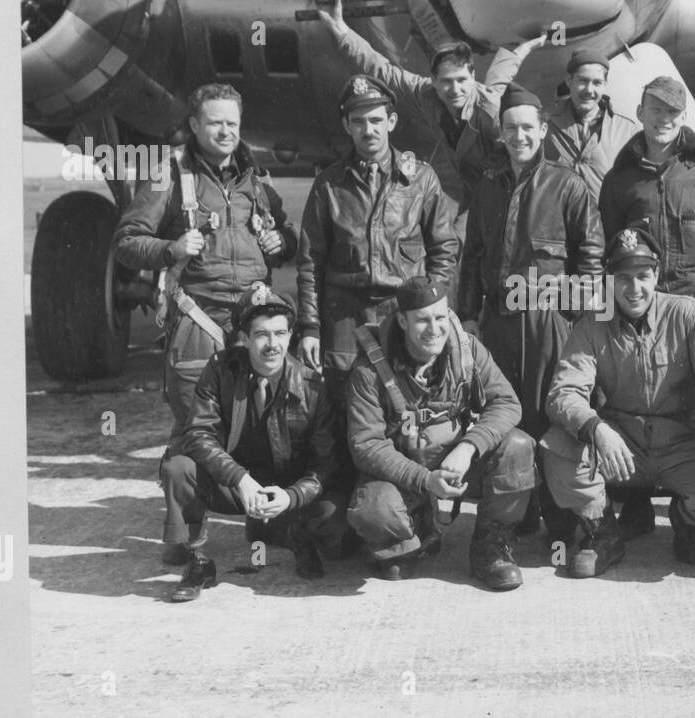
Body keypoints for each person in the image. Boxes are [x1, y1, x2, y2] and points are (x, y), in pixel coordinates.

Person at [112, 82, 298, 565]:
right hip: (199, 320)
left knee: (265, 421)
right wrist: (171, 250)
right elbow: (128, 241)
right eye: (215, 122)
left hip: (254, 321)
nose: (225, 131)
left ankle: (266, 520)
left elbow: (288, 237)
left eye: (233, 123)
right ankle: (187, 535)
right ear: (194, 124)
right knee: (193, 426)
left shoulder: (255, 177)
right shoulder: (170, 173)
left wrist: (282, 244)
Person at [539, 226, 695, 579]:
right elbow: (564, 391)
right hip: (623, 443)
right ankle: (602, 531)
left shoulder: (687, 315)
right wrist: (597, 429)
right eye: (623, 278)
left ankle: (687, 519)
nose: (634, 288)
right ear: (609, 280)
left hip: (682, 441)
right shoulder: (593, 323)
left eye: (643, 276)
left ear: (656, 275)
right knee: (557, 448)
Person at [597, 74, 695, 538]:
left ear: (684, 117)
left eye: (673, 112)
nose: (664, 119)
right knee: (637, 399)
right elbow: (608, 248)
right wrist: (619, 308)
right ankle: (637, 500)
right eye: (655, 110)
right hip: (641, 311)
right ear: (640, 113)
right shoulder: (620, 178)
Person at [459, 84, 604, 537]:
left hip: (550, 322)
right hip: (499, 323)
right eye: (510, 128)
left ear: (543, 130)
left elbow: (592, 259)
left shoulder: (568, 185)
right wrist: (467, 317)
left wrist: (581, 320)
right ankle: (518, 509)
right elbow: (474, 256)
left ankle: (562, 515)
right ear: (500, 134)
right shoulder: (486, 188)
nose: (519, 136)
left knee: (550, 416)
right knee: (505, 414)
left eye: (527, 127)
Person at [162, 284, 350, 602]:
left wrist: (291, 497)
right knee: (178, 467)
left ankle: (292, 531)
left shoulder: (313, 388)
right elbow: (197, 434)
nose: (272, 344)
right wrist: (240, 479)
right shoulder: (220, 370)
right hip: (236, 486)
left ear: (291, 336)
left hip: (287, 488)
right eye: (262, 334)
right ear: (246, 338)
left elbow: (326, 463)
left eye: (280, 333)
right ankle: (197, 562)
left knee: (336, 522)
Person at [345, 277, 536, 590]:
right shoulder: (369, 372)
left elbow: (507, 403)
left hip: (455, 461)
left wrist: (469, 447)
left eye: (440, 317)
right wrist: (424, 481)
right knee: (373, 510)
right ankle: (413, 531)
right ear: (403, 321)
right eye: (422, 320)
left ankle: (491, 546)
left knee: (517, 447)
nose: (434, 329)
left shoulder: (467, 349)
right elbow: (366, 446)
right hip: (403, 470)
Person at [296, 75, 459, 403]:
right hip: (344, 316)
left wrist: (426, 305)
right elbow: (310, 261)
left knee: (404, 401)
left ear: (391, 122)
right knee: (344, 403)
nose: (368, 130)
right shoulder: (328, 185)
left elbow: (444, 248)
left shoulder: (421, 180)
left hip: (401, 311)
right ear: (346, 125)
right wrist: (310, 328)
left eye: (375, 120)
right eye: (358, 121)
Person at [312, 0, 544, 209]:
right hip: (472, 191)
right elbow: (380, 68)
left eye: (462, 80)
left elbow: (520, 153)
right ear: (433, 80)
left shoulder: (490, 110)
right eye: (446, 82)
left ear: (473, 76)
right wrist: (339, 27)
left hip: (507, 190)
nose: (455, 89)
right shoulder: (426, 94)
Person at [543, 47, 640, 199]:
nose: (589, 90)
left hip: (607, 221)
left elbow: (639, 185)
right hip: (558, 220)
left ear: (605, 84)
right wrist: (517, 53)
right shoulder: (546, 123)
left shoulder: (627, 129)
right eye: (582, 81)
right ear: (569, 81)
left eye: (597, 82)